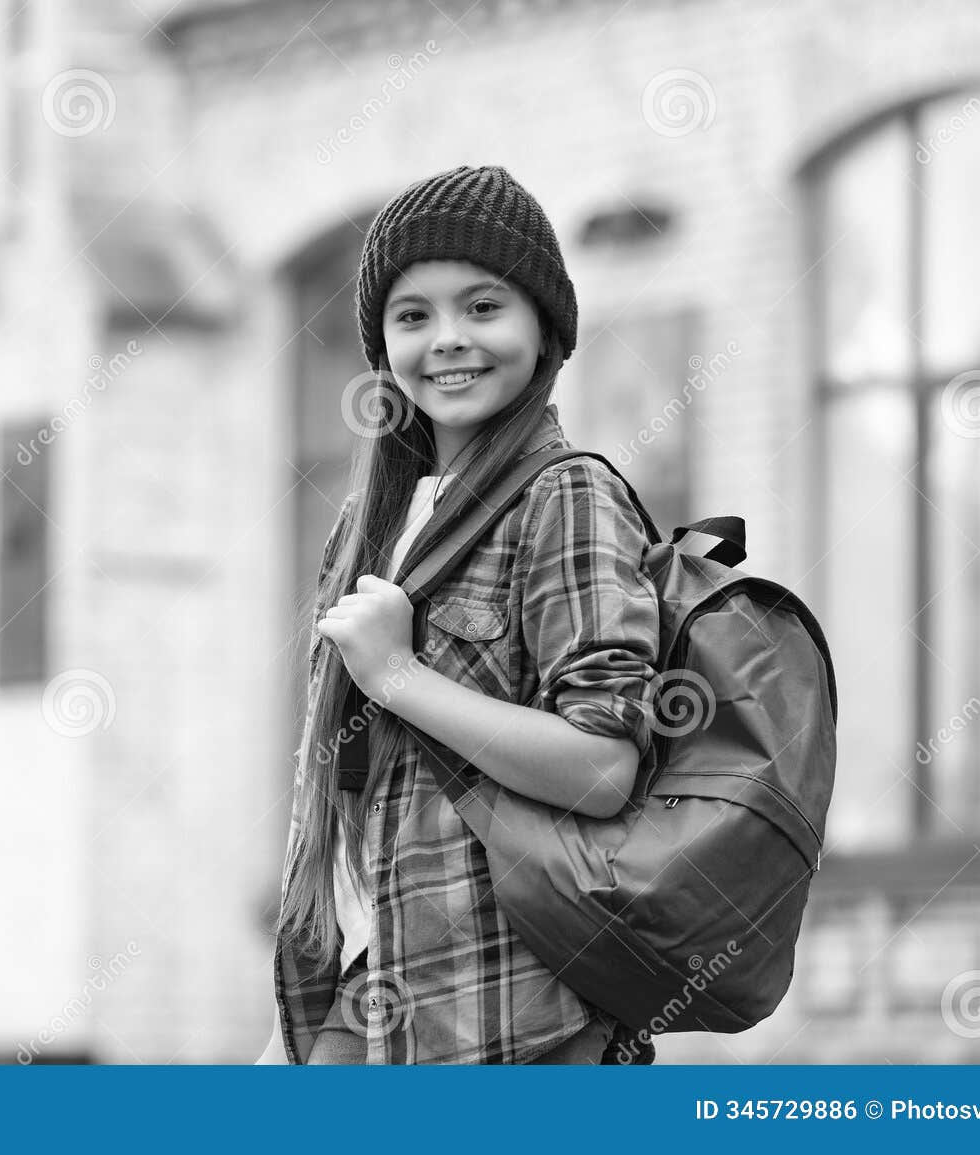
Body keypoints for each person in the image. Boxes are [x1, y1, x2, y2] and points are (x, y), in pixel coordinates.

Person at [256, 164, 660, 1065]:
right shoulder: (371, 528)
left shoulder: (568, 495)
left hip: (512, 1017)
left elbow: (602, 766)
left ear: (544, 327)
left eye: (483, 308)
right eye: (413, 315)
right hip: (364, 986)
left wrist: (399, 677)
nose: (448, 340)